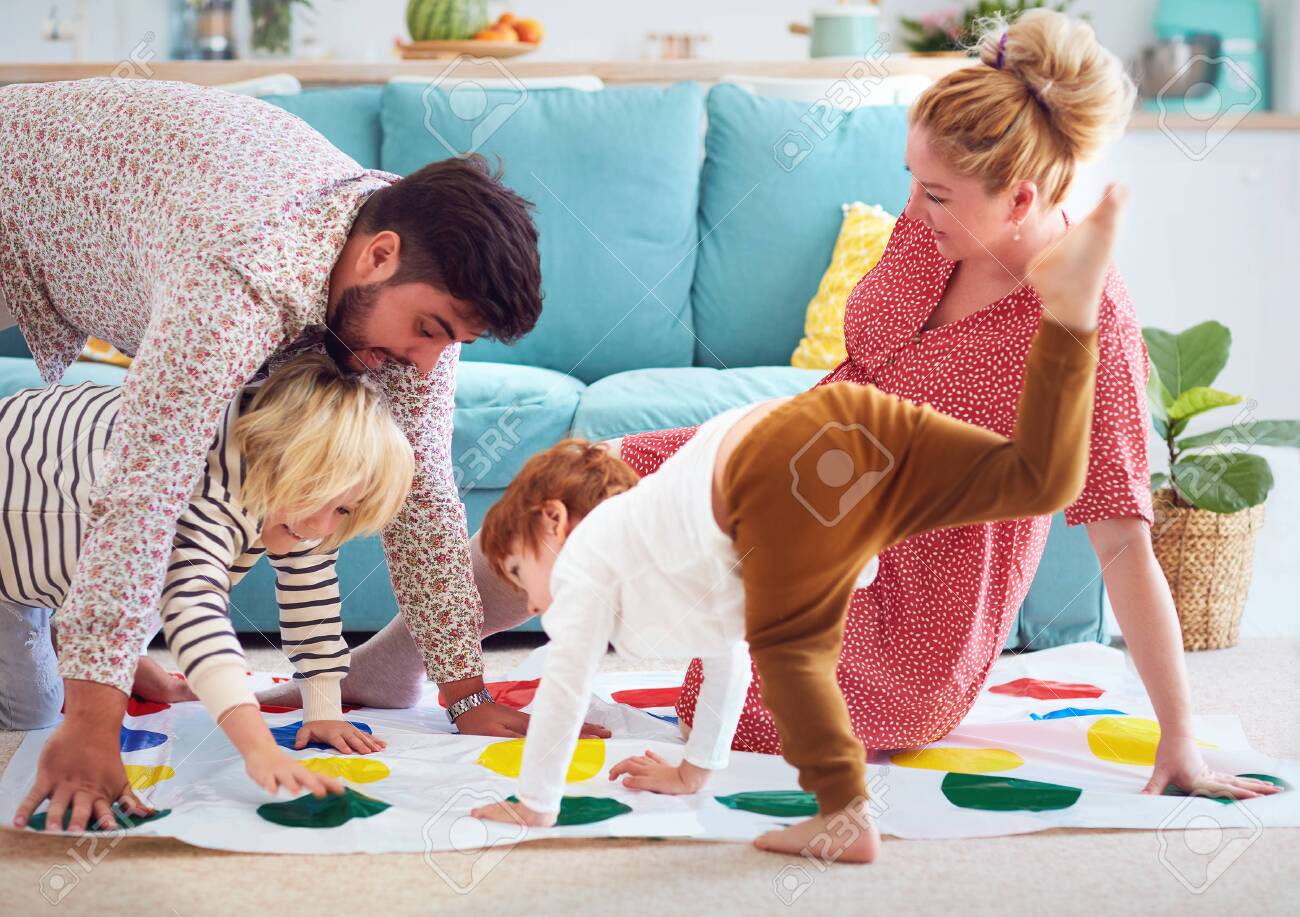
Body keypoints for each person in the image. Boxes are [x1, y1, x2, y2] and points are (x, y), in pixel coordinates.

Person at [472, 186, 1263, 862]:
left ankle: (844, 814)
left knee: (777, 642)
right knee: (608, 475)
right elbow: (726, 640)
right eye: (915, 179)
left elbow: (570, 678)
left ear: (1020, 197)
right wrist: (692, 769)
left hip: (852, 502)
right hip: (820, 448)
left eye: (938, 190)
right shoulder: (932, 225)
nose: (913, 204)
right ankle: (415, 663)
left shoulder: (588, 565)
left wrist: (535, 806)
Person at [0, 76, 543, 833]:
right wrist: (94, 716)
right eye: (429, 328)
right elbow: (143, 487)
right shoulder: (236, 282)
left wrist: (466, 692)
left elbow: (421, 493)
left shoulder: (414, 289)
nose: (425, 362)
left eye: (449, 340)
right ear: (378, 256)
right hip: (19, 174)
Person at [1, 354, 417, 829]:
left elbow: (313, 592)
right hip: (12, 550)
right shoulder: (205, 490)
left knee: (159, 574)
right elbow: (196, 614)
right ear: (280, 459)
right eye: (321, 500)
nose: (322, 526)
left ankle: (85, 642)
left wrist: (321, 707)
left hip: (76, 546)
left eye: (343, 511)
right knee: (28, 715)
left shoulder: (287, 491)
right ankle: (63, 636)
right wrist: (258, 747)